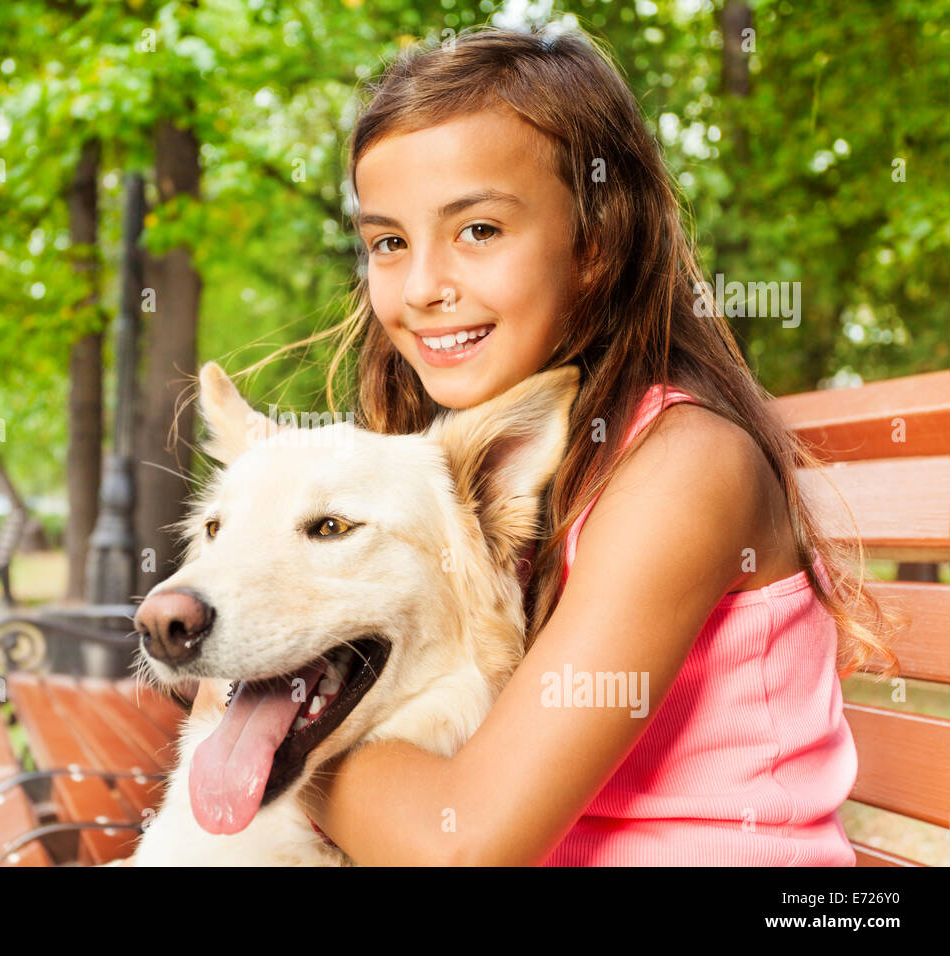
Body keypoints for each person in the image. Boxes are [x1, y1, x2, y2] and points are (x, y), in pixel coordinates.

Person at [186, 24, 898, 866]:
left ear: (595, 244)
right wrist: (268, 708)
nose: (422, 287)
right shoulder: (466, 472)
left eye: (479, 230)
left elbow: (463, 845)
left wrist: (265, 735)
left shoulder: (683, 466)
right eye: (389, 242)